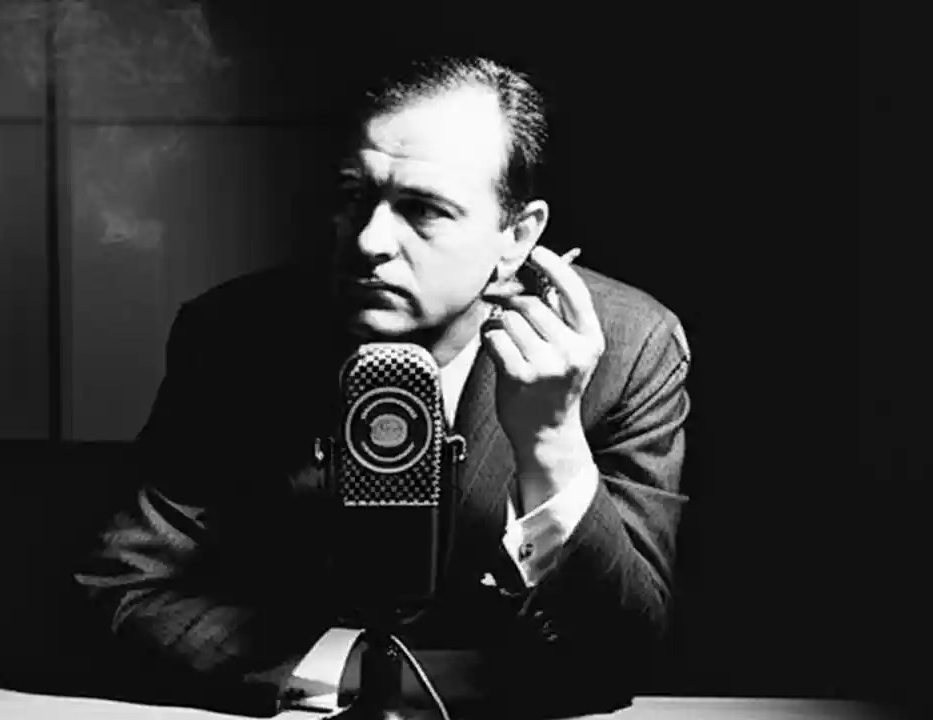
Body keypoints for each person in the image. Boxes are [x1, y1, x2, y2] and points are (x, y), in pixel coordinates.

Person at [74, 55, 692, 719]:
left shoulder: (625, 347)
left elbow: (623, 644)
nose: (369, 240)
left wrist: (550, 442)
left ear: (516, 237)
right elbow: (121, 589)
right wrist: (377, 674)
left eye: (424, 210)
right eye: (352, 197)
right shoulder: (237, 336)